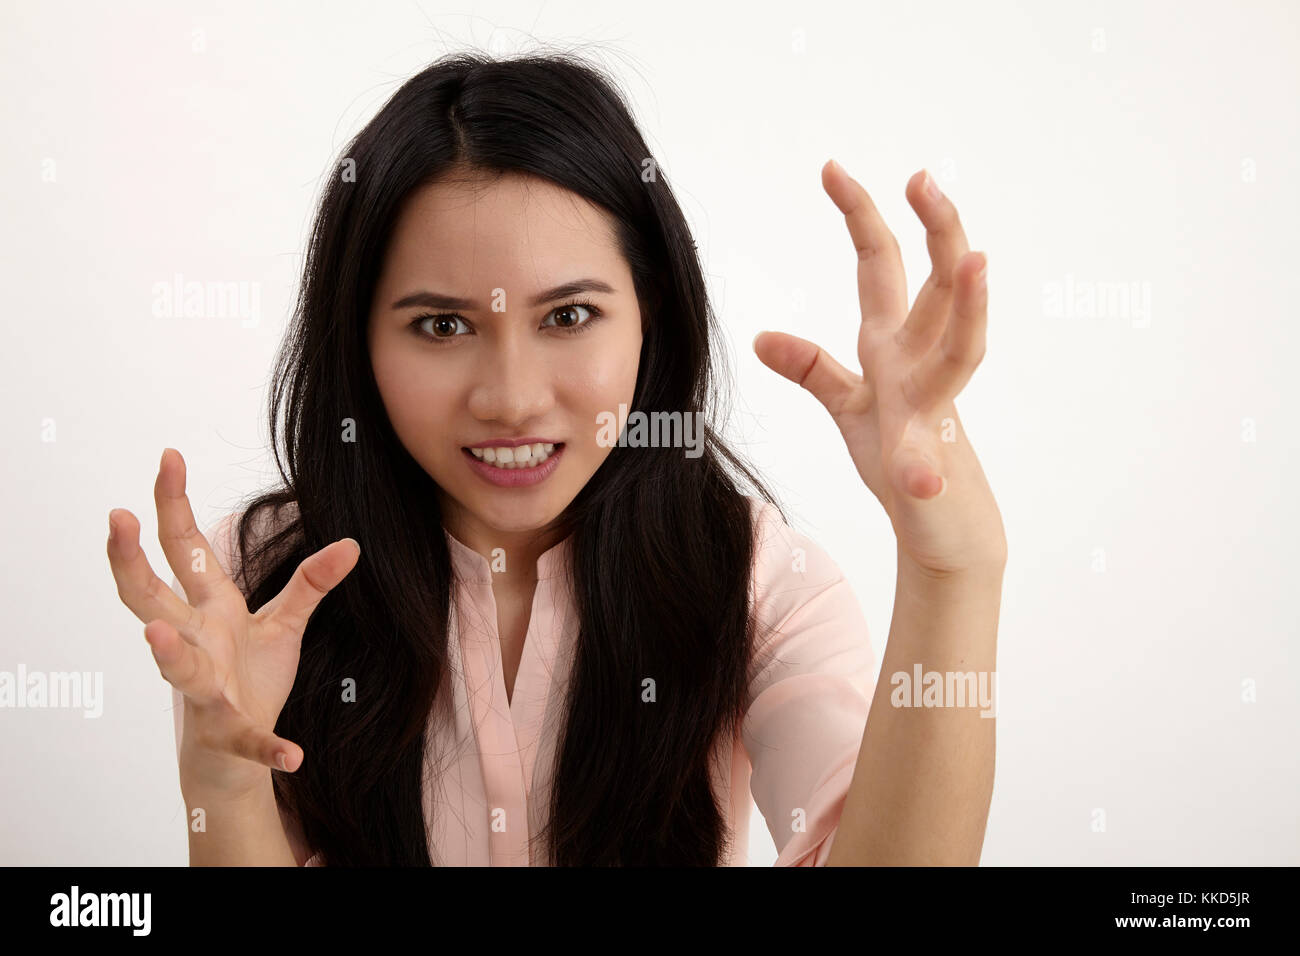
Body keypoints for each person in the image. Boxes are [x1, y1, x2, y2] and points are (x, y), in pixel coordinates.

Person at [106, 51, 1006, 866]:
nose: (511, 397)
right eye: (443, 325)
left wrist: (952, 568)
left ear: (651, 317)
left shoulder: (758, 583)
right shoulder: (264, 591)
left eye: (568, 316)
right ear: (359, 342)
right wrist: (222, 785)